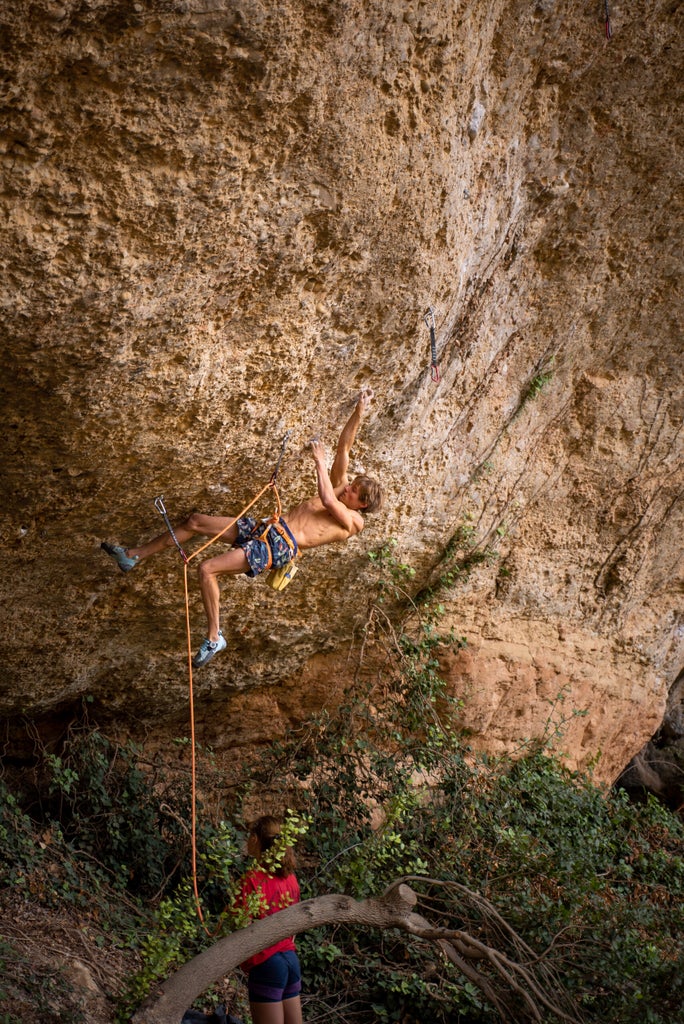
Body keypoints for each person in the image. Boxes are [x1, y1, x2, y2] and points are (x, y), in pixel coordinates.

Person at [102, 389, 383, 667]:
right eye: (351, 484)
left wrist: (320, 464)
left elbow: (325, 499)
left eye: (354, 491)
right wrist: (359, 411)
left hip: (277, 547)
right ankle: (133, 555)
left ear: (361, 505)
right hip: (267, 528)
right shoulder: (340, 488)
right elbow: (344, 448)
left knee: (206, 569)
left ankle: (214, 638)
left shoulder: (353, 522)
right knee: (195, 521)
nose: (348, 488)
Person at [235, 815, 303, 1024]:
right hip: (291, 961)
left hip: (267, 963)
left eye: (248, 836)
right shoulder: (290, 878)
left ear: (255, 839)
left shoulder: (251, 880)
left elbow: (240, 925)